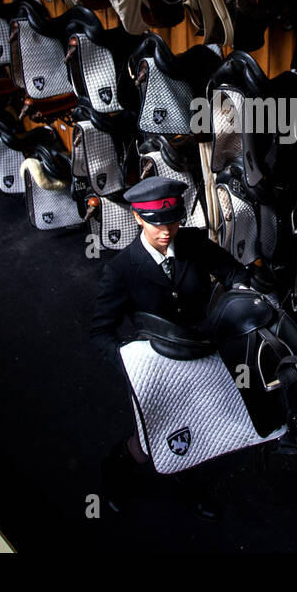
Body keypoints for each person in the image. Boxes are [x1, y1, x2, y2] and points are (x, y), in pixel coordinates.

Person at [89, 176, 250, 520]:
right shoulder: (119, 271)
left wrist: (241, 295)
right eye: (156, 223)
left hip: (203, 351)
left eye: (173, 220)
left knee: (199, 424)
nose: (166, 230)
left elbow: (234, 272)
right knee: (149, 441)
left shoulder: (193, 242)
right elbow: (100, 332)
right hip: (156, 363)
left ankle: (188, 483)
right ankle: (115, 473)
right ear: (137, 218)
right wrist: (133, 366)